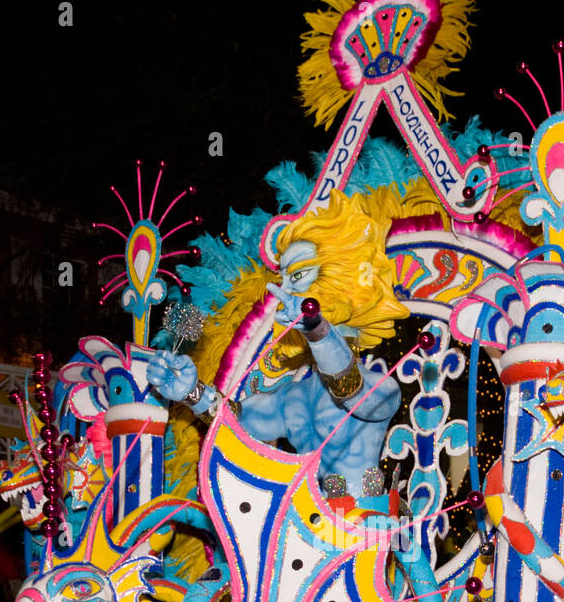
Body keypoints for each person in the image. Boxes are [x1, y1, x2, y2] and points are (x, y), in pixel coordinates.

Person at [147, 189, 404, 504]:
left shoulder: (382, 387)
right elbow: (238, 422)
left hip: (367, 529)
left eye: (297, 275)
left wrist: (315, 326)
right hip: (309, 528)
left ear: (342, 278)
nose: (285, 290)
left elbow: (349, 388)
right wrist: (193, 393)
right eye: (285, 279)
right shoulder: (292, 395)